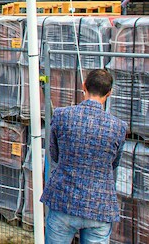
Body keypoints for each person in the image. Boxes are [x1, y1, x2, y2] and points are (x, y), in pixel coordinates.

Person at [42, 68, 128, 244]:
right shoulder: (118, 126)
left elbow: (54, 154)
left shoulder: (62, 115)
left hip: (64, 201)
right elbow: (114, 163)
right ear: (109, 93)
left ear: (84, 86)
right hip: (99, 205)